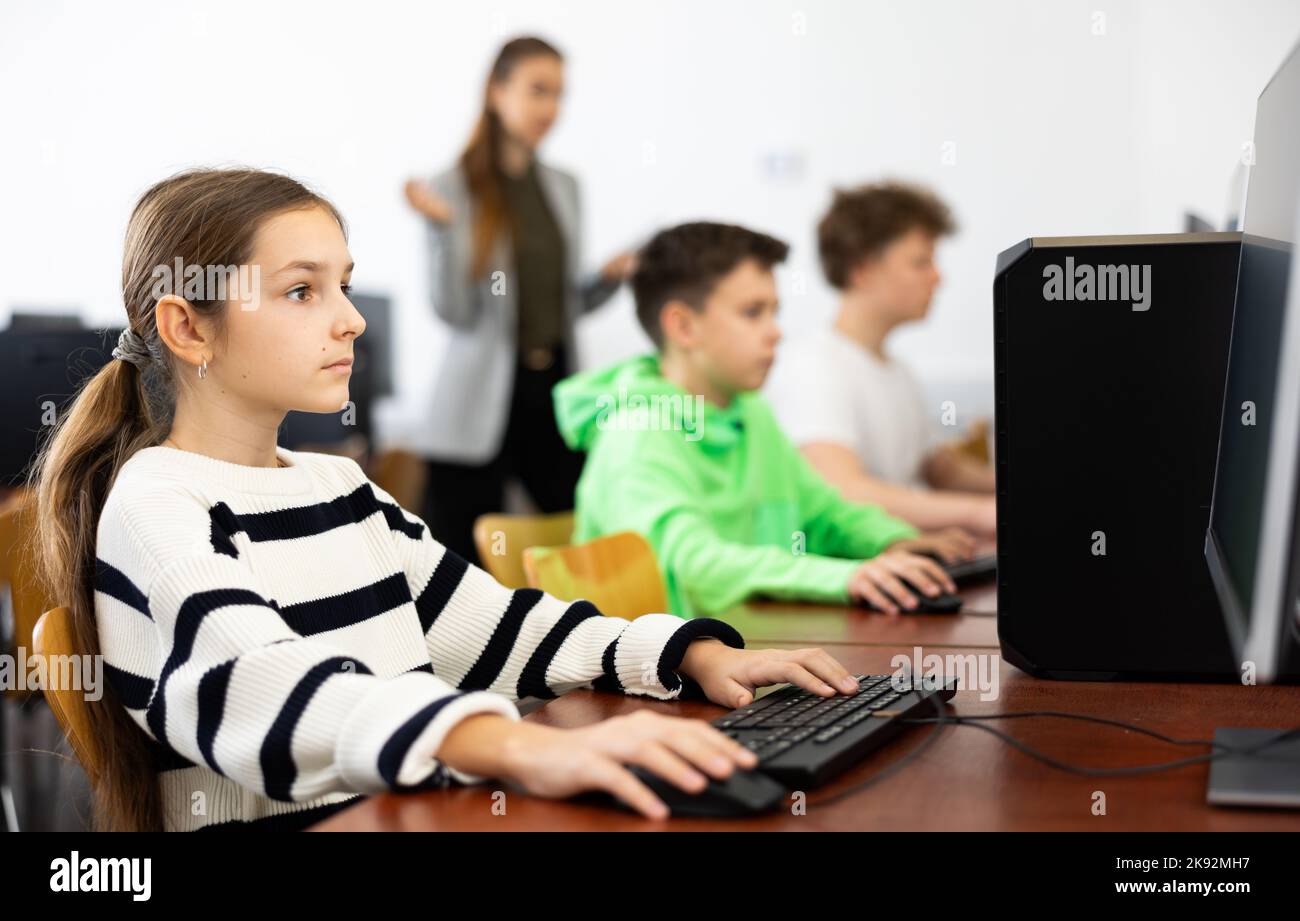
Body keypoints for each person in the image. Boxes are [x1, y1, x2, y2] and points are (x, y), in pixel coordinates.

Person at [30, 169, 864, 831]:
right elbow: (266, 688)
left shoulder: (340, 487)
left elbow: (501, 628)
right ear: (188, 328)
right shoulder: (157, 503)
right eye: (302, 291)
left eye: (345, 285)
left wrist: (684, 653)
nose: (351, 320)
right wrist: (508, 746)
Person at [553, 221, 967, 620]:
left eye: (774, 312)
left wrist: (894, 541)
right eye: (753, 313)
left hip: (756, 645)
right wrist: (843, 576)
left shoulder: (750, 413)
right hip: (665, 665)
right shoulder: (637, 434)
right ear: (683, 326)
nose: (776, 332)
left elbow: (824, 513)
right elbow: (693, 566)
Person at [404, 36, 633, 564]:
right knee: (457, 564)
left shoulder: (564, 186)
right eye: (538, 90)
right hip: (480, 400)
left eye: (559, 95)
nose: (550, 108)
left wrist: (605, 279)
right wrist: (440, 233)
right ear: (496, 91)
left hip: (551, 385)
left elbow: (563, 306)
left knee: (582, 544)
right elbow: (454, 312)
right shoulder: (452, 187)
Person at [765, 182, 996, 538]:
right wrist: (978, 513)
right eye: (921, 262)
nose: (938, 277)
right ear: (862, 269)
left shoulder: (897, 370)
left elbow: (941, 470)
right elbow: (844, 490)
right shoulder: (810, 366)